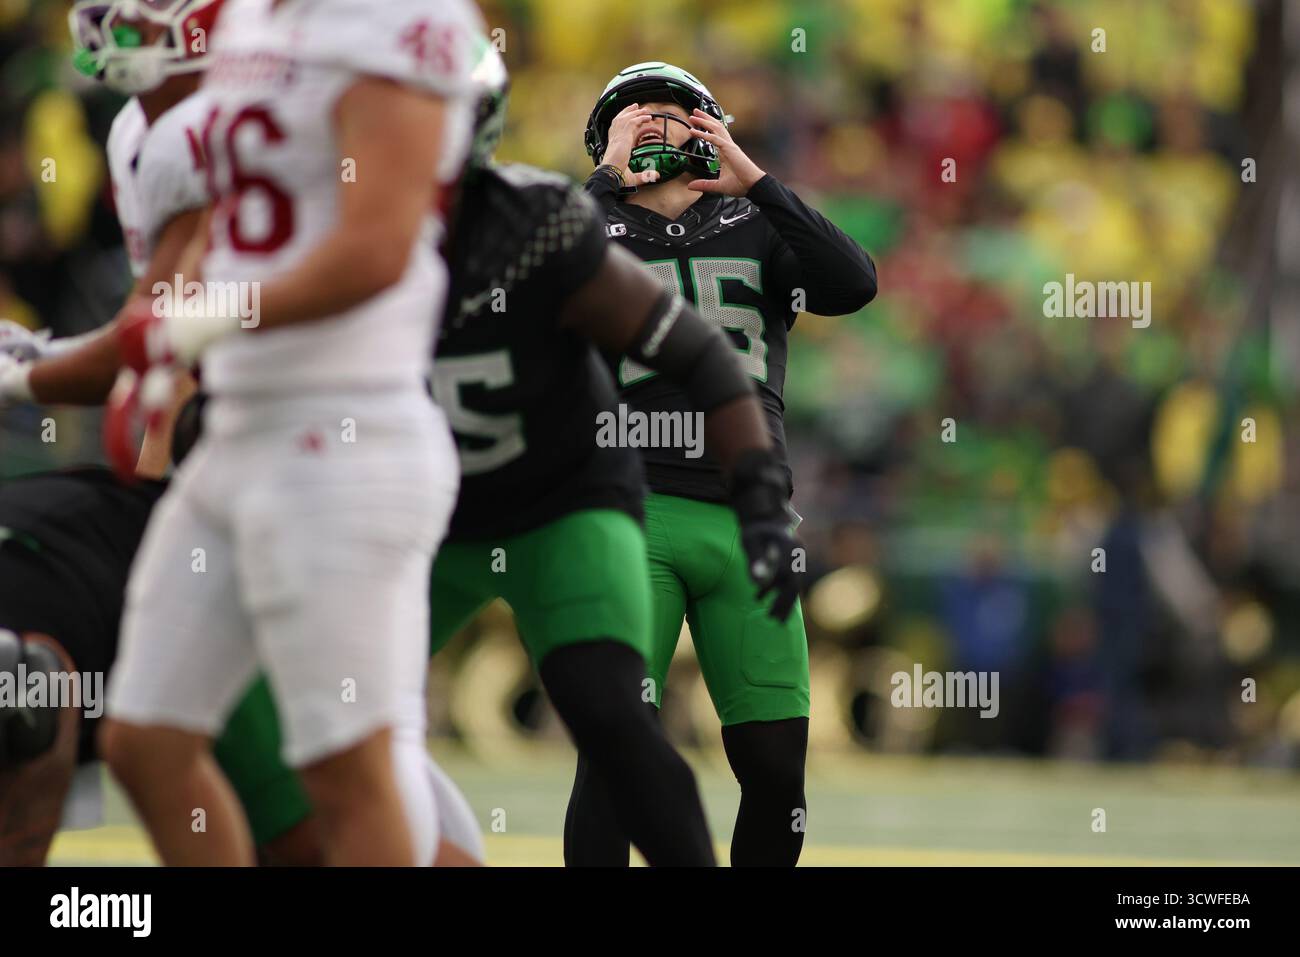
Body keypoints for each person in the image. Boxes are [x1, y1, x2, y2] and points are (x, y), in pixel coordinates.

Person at [97, 0, 484, 866]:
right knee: (144, 739)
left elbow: (377, 246)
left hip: (346, 430)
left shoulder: (394, 16)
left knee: (346, 769)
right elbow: (229, 218)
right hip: (241, 426)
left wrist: (207, 322)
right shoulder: (251, 19)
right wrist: (174, 339)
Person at [571, 61, 878, 866]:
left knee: (776, 768)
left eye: (680, 113)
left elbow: (853, 283)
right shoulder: (585, 230)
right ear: (609, 136)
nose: (664, 125)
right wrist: (606, 179)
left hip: (752, 522)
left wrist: (754, 178)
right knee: (613, 751)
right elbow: (527, 273)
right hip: (629, 513)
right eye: (642, 115)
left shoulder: (757, 226)